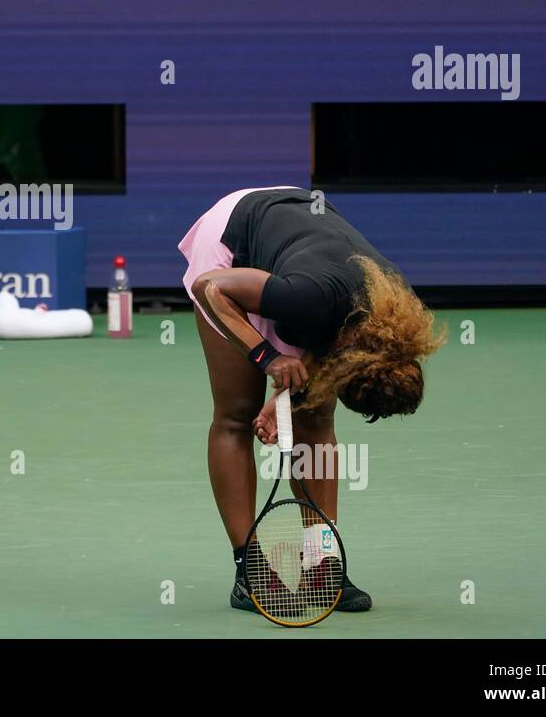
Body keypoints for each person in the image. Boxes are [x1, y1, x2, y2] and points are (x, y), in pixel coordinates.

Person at [179, 185, 446, 612]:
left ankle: (322, 563)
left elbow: (333, 343)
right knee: (237, 413)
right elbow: (212, 288)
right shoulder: (306, 298)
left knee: (315, 418)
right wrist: (267, 358)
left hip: (307, 252)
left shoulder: (396, 314)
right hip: (235, 238)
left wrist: (288, 395)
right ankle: (248, 568)